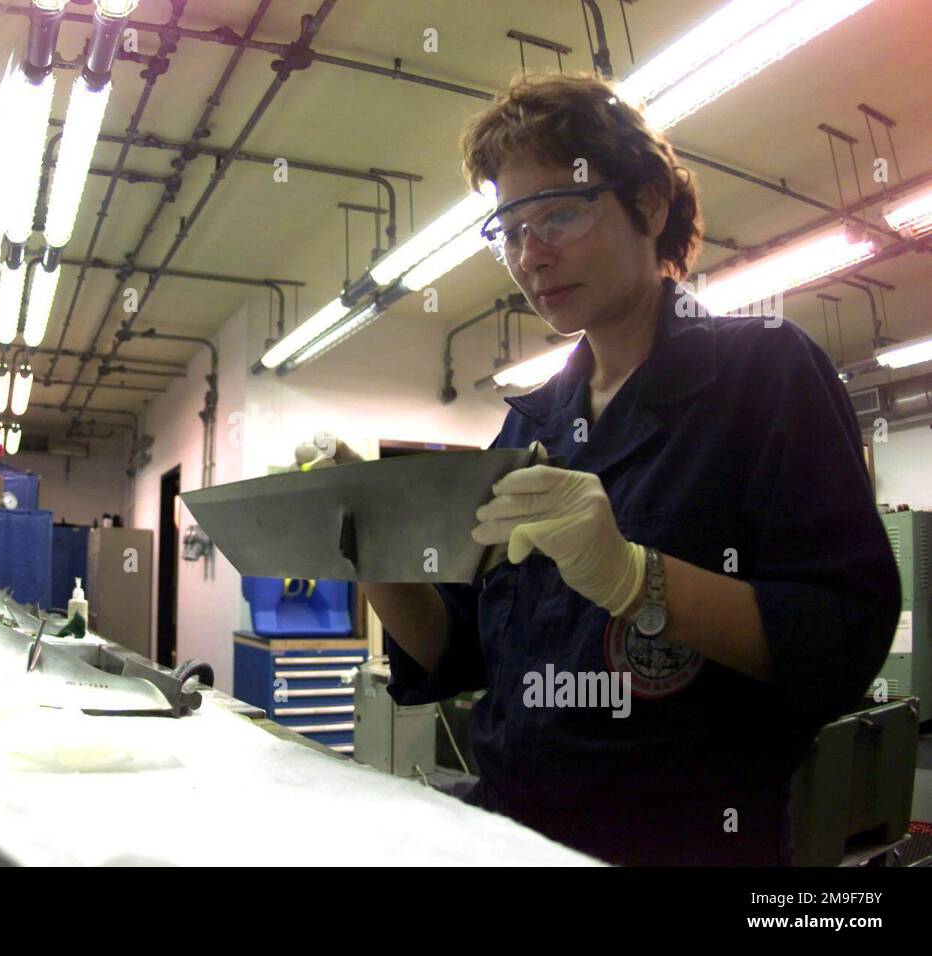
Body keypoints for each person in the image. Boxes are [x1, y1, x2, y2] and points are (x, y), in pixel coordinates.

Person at [365, 73, 900, 866]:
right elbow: (457, 650)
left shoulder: (763, 376)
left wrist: (634, 579)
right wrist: (368, 543)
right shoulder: (533, 420)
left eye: (559, 214)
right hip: (508, 831)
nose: (529, 255)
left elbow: (840, 640)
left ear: (649, 205)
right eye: (508, 230)